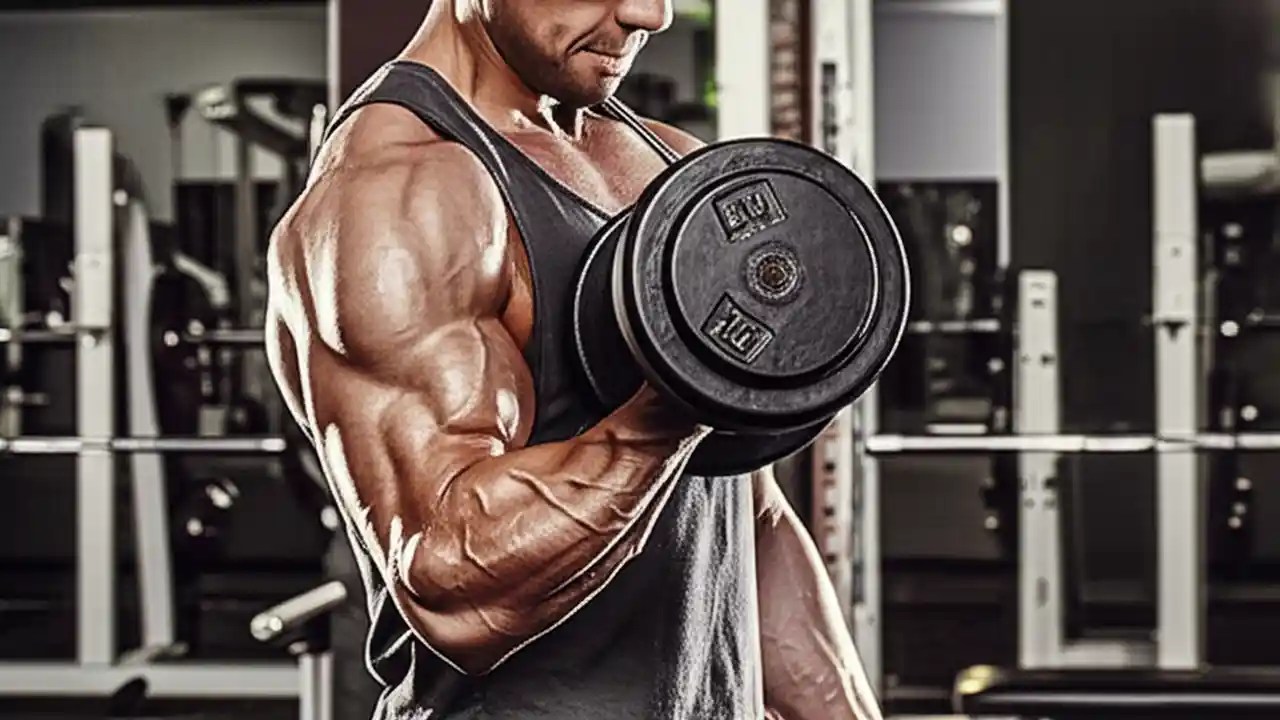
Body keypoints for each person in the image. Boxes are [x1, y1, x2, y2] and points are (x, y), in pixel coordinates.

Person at [263, 1, 883, 718]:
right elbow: (452, 581)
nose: (649, 14)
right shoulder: (394, 196)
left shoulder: (669, 163)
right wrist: (681, 392)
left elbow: (753, 523)